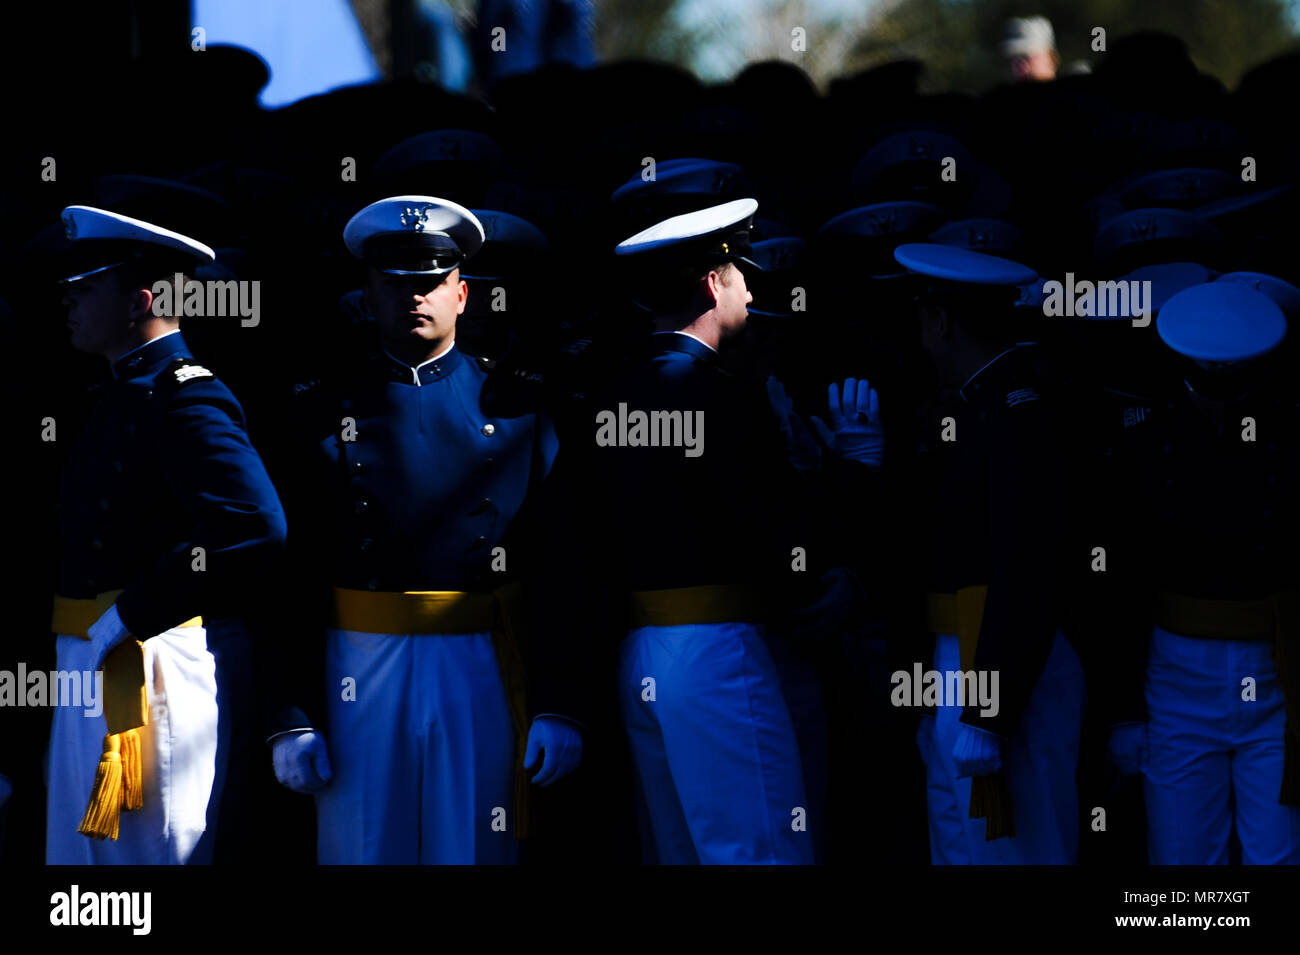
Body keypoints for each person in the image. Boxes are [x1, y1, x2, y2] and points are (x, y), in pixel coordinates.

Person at [266, 195, 583, 864]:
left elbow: (560, 563)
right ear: (367, 295)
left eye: (432, 281)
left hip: (478, 660)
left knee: (473, 846)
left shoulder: (522, 407)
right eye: (396, 283)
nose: (416, 296)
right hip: (356, 662)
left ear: (462, 294)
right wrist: (292, 713)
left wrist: (559, 700)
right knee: (362, 849)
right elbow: (289, 575)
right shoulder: (319, 410)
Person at [574, 197, 870, 864]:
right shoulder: (723, 395)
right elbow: (770, 525)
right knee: (759, 847)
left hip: (644, 651)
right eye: (741, 275)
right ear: (714, 283)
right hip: (723, 651)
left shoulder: (613, 391)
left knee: (678, 848)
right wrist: (851, 477)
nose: (751, 289)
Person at [47, 205, 287, 864]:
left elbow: (252, 524)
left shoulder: (183, 395)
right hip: (94, 654)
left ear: (142, 300)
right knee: (82, 867)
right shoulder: (112, 393)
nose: (66, 299)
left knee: (151, 860)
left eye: (85, 286)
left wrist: (132, 611)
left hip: (152, 663)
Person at [896, 242, 1085, 864]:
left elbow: (1028, 569)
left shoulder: (1014, 411)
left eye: (923, 318)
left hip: (1000, 661)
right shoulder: (981, 405)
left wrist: (990, 709)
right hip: (964, 655)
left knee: (1024, 852)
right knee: (962, 850)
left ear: (942, 322)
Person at [1105, 281, 1300, 863]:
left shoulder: (1288, 432)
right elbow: (1120, 578)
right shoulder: (1146, 438)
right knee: (1183, 861)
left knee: (1282, 854)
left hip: (1281, 665)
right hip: (1176, 671)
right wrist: (1123, 708)